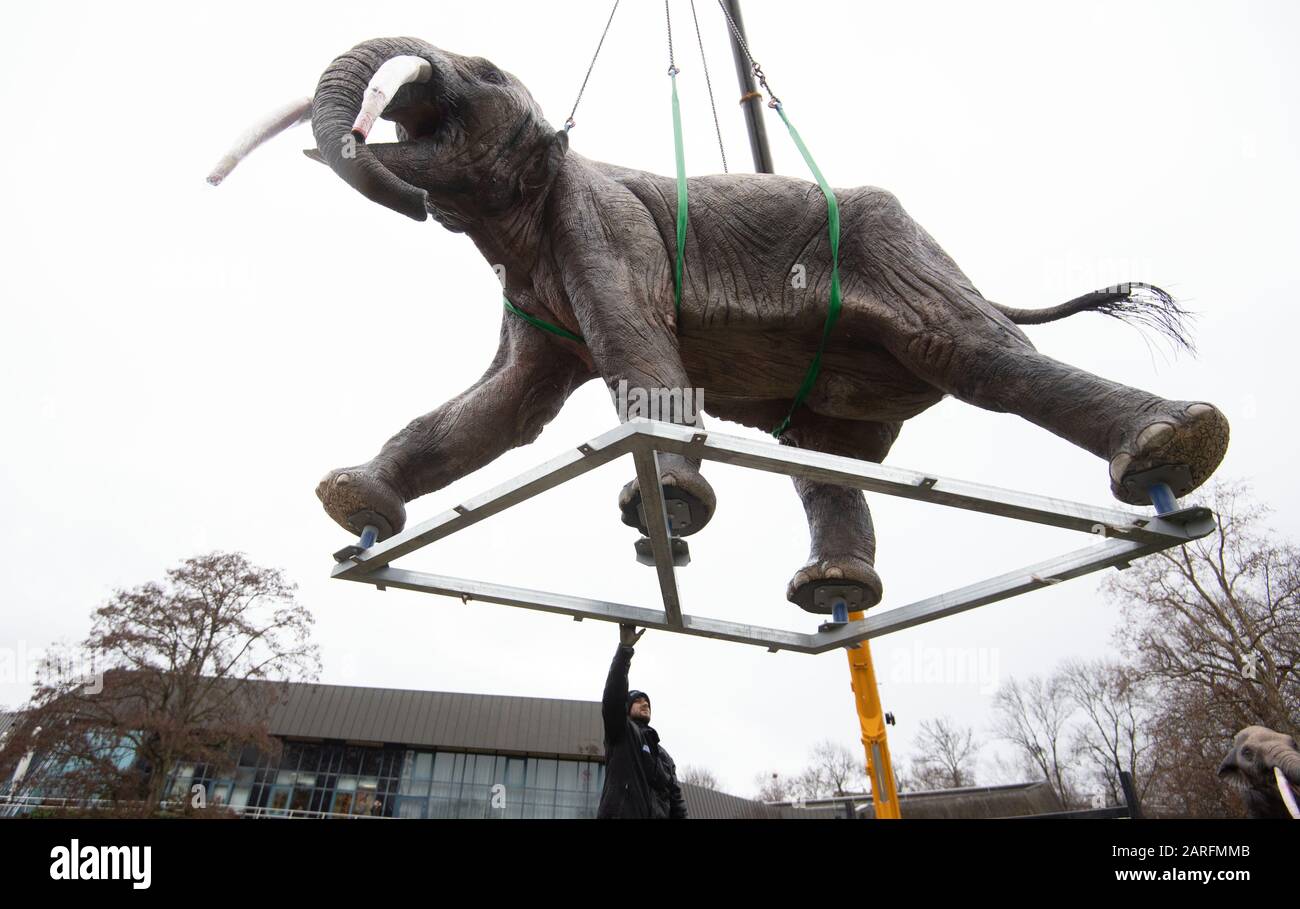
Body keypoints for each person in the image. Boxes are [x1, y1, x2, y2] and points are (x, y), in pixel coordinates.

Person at [596, 624, 687, 819]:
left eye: (647, 701)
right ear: (627, 709)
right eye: (637, 701)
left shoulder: (664, 757)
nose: (644, 703)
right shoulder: (622, 733)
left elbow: (677, 802)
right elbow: (613, 697)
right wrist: (624, 652)